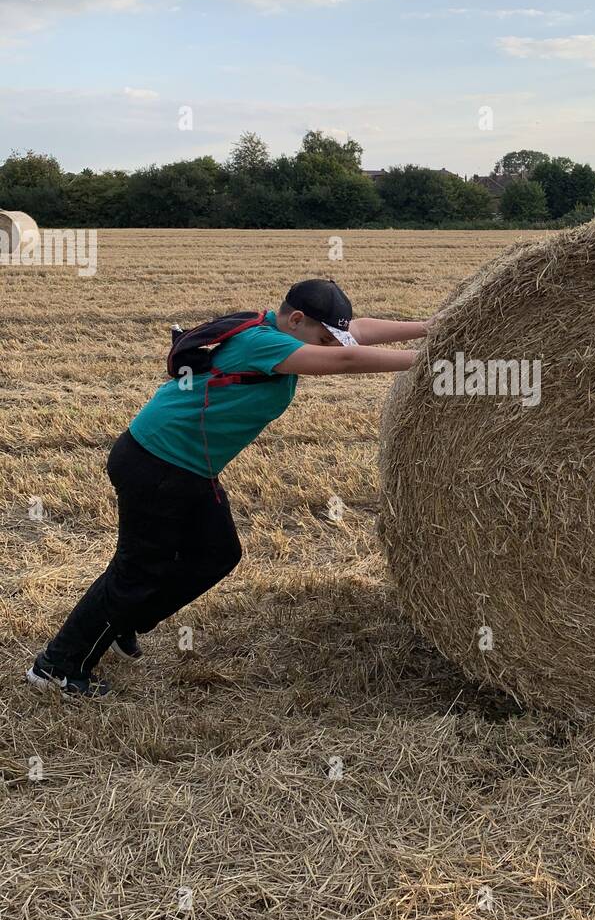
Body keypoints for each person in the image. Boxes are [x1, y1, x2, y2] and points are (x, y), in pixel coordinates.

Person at [27, 278, 426, 698]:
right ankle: (57, 665)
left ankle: (126, 618)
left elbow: (356, 332)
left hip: (188, 466)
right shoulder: (263, 343)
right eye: (325, 337)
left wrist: (428, 327)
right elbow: (346, 360)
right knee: (137, 571)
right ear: (296, 319)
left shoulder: (280, 329)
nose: (332, 345)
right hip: (157, 462)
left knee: (217, 554)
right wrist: (427, 359)